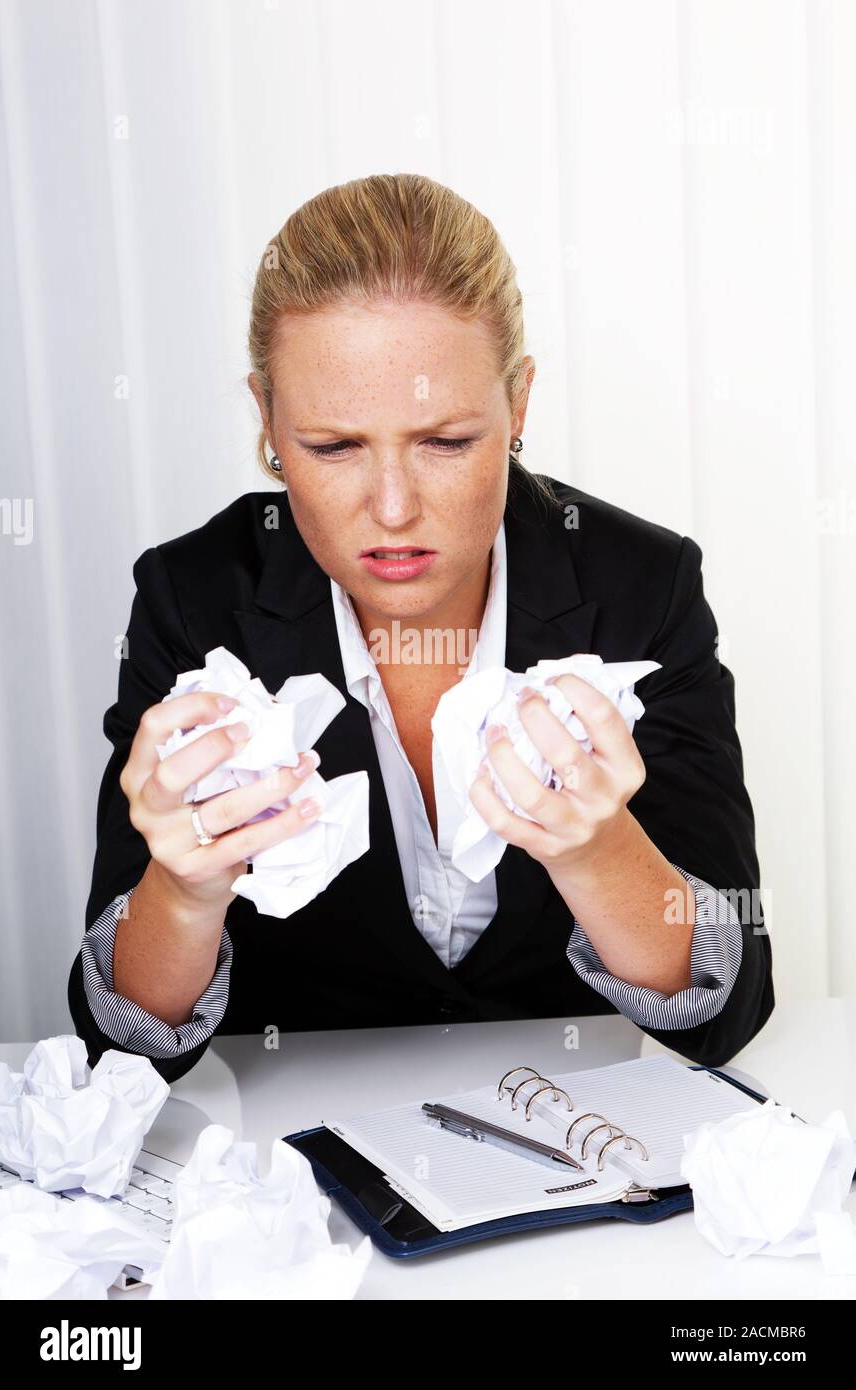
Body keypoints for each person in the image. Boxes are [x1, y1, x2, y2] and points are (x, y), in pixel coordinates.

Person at [68, 173, 773, 1084]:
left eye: (444, 442)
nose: (393, 509)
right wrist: (184, 888)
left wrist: (599, 853)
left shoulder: (641, 585)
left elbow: (726, 1008)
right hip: (297, 1171)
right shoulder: (193, 601)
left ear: (518, 405)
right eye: (333, 447)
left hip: (577, 1149)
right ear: (268, 421)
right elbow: (121, 1045)